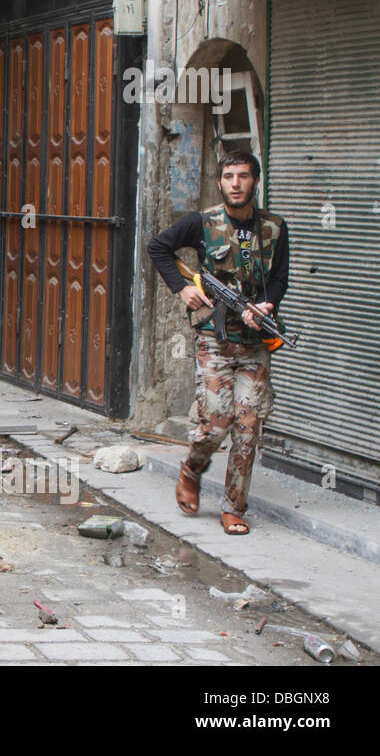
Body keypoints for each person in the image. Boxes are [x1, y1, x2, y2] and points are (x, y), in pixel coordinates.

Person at [146, 150, 290, 536]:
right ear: (220, 182)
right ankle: (192, 468)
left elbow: (279, 278)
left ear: (255, 181)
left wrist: (266, 304)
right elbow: (158, 247)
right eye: (228, 176)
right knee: (216, 423)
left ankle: (233, 506)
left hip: (255, 342)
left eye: (243, 176)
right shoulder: (202, 222)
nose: (236, 183)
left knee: (248, 426)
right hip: (214, 339)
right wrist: (182, 289)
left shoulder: (275, 227)